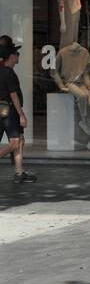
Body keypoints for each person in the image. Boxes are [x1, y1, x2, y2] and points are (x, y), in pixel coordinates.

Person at [0, 38, 36, 183]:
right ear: (12, 56)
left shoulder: (3, 71)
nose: (18, 56)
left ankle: (19, 172)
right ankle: (19, 173)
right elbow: (13, 96)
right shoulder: (8, 74)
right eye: (17, 54)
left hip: (4, 110)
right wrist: (21, 115)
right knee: (15, 143)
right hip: (10, 112)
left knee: (19, 141)